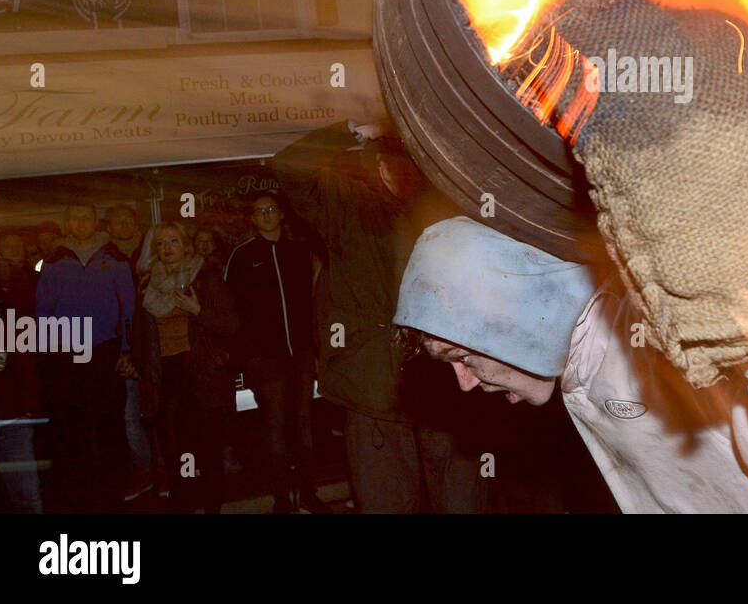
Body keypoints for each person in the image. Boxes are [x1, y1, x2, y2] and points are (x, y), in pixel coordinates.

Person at [394, 216, 748, 513]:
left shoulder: (655, 337)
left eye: (460, 356)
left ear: (512, 312)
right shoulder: (577, 357)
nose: (462, 384)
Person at [272, 120, 501, 514]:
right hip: (373, 392)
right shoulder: (346, 207)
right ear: (376, 163)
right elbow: (290, 167)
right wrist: (353, 130)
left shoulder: (452, 209)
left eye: (416, 160)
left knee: (464, 503)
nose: (404, 170)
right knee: (386, 503)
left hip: (449, 392)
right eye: (393, 160)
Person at [224, 193, 324, 513]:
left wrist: (317, 348)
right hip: (265, 359)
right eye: (259, 212)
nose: (265, 216)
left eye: (271, 210)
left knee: (305, 427)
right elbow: (231, 310)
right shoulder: (242, 255)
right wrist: (247, 356)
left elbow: (315, 301)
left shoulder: (300, 251)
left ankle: (309, 492)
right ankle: (282, 498)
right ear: (252, 219)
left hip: (302, 353)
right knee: (275, 428)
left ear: (281, 214)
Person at [131, 222, 239, 513]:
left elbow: (231, 326)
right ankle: (183, 506)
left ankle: (211, 509)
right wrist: (136, 362)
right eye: (160, 243)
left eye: (173, 241)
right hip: (164, 377)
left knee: (206, 452)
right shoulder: (146, 283)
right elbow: (141, 335)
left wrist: (198, 311)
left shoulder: (206, 276)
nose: (167, 248)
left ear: (186, 245)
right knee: (175, 453)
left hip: (201, 376)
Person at [34, 203, 136, 512]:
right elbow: (43, 313)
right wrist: (49, 357)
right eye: (74, 217)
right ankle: (78, 495)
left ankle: (116, 493)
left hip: (106, 352)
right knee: (71, 426)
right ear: (66, 223)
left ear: (96, 222)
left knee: (110, 425)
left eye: (86, 216)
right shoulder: (53, 261)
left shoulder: (115, 258)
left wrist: (127, 351)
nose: (80, 222)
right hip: (67, 357)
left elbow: (129, 309)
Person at [104, 204, 155, 502]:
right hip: (122, 346)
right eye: (117, 221)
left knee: (160, 412)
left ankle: (168, 473)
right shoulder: (102, 259)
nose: (123, 226)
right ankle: (144, 471)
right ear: (109, 227)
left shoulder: (153, 254)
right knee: (129, 415)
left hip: (155, 346)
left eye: (128, 221)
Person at [0, 230, 43, 513]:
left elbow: (33, 359)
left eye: (16, 247)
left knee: (25, 493)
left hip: (14, 412)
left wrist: (31, 404)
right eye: (3, 248)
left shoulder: (34, 287)